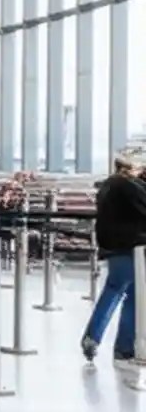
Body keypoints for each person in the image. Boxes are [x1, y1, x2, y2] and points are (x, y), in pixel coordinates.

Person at [81, 150, 146, 365]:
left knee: (124, 293)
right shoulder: (129, 186)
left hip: (114, 246)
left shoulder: (109, 185)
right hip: (130, 247)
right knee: (121, 292)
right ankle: (114, 343)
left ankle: (119, 344)